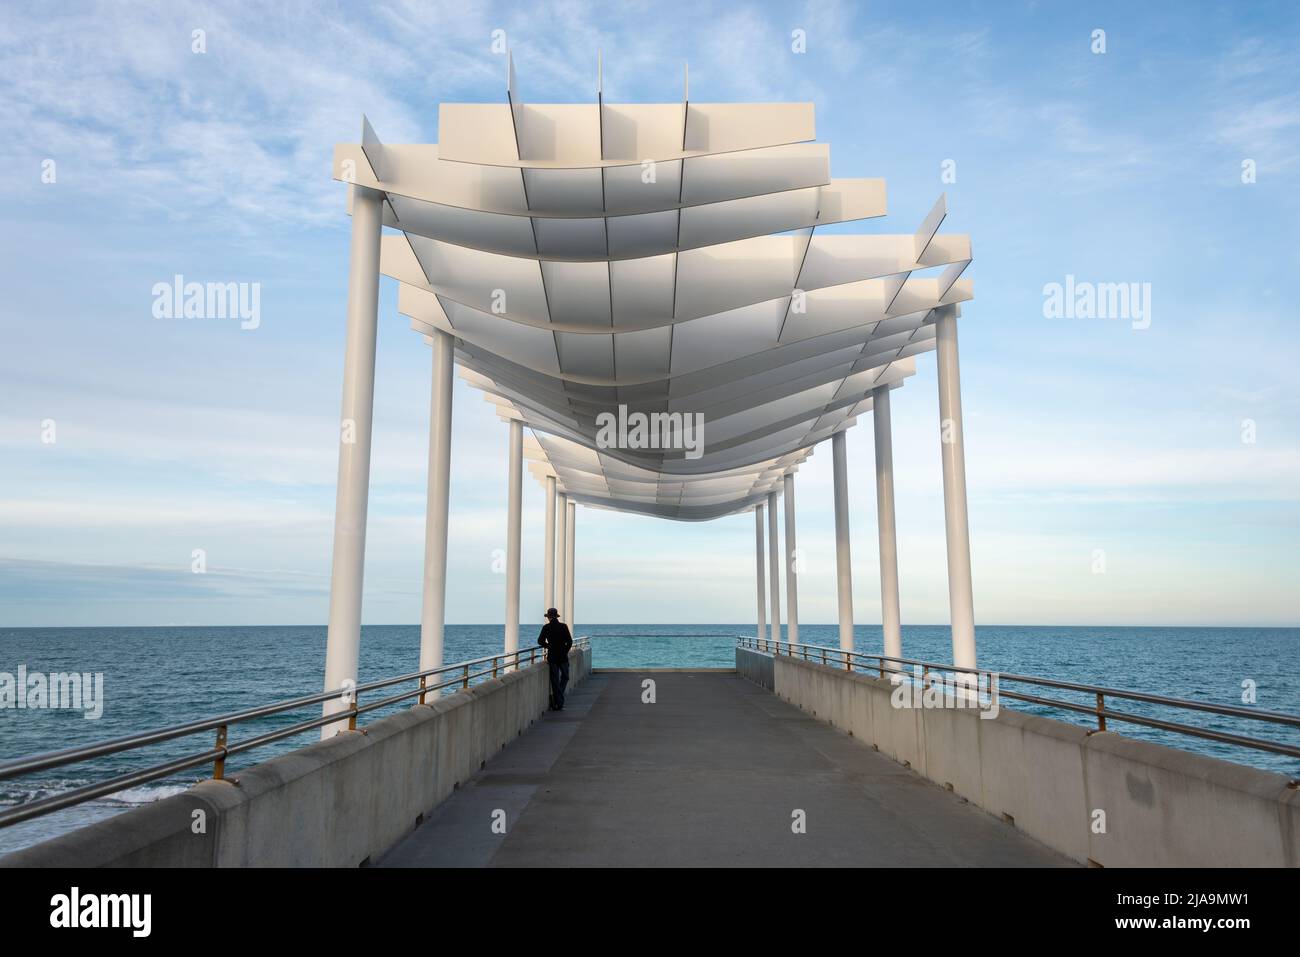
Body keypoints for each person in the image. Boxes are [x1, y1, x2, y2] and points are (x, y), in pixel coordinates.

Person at [538, 608, 573, 710]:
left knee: (555, 680)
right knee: (565, 677)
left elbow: (540, 641)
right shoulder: (563, 626)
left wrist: (549, 646)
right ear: (556, 616)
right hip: (563, 657)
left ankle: (558, 700)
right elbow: (569, 642)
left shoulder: (546, 627)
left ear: (548, 617)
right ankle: (559, 699)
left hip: (552, 657)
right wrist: (564, 651)